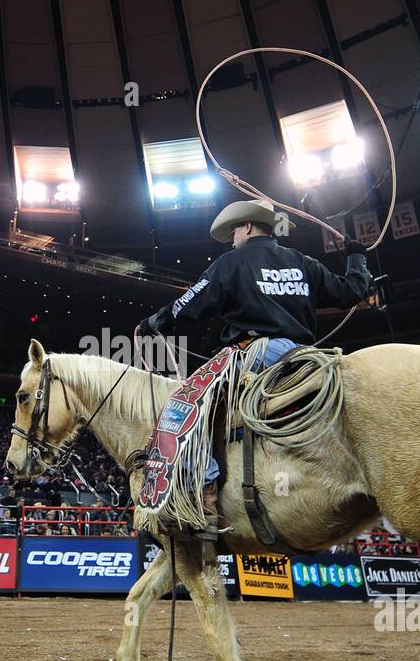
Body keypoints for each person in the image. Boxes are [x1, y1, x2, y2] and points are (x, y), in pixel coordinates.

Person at [138, 199, 374, 539]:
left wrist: (156, 320)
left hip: (258, 352)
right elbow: (352, 291)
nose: (232, 237)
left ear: (247, 226)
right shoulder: (302, 262)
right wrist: (357, 258)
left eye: (234, 230)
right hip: (305, 355)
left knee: (182, 406)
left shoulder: (232, 263)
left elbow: (191, 302)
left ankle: (201, 498)